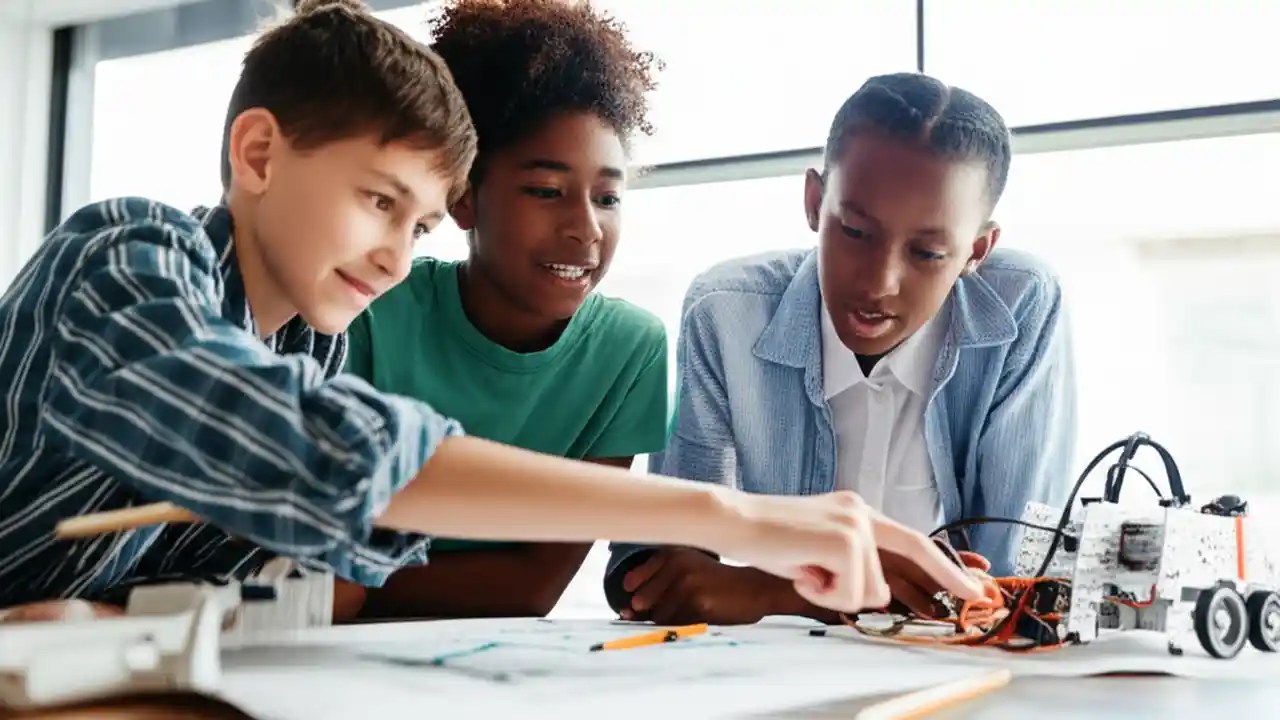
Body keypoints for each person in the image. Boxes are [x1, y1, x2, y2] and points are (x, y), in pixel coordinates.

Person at [0, 2, 983, 623]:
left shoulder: (304, 338)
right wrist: (745, 518)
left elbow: (241, 579)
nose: (394, 258)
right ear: (257, 155)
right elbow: (333, 456)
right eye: (379, 202)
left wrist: (101, 624)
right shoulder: (124, 260)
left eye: (418, 222)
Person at [607, 72, 1076, 626]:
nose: (880, 283)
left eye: (926, 253)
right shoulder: (725, 312)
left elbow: (1012, 586)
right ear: (814, 201)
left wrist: (766, 592)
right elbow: (661, 570)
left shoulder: (1021, 307)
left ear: (976, 250)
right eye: (855, 232)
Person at [343, 0, 666, 621]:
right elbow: (304, 559)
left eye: (607, 197)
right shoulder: (369, 311)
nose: (586, 229)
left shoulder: (632, 352)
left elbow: (532, 589)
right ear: (464, 199)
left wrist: (355, 586)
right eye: (546, 192)